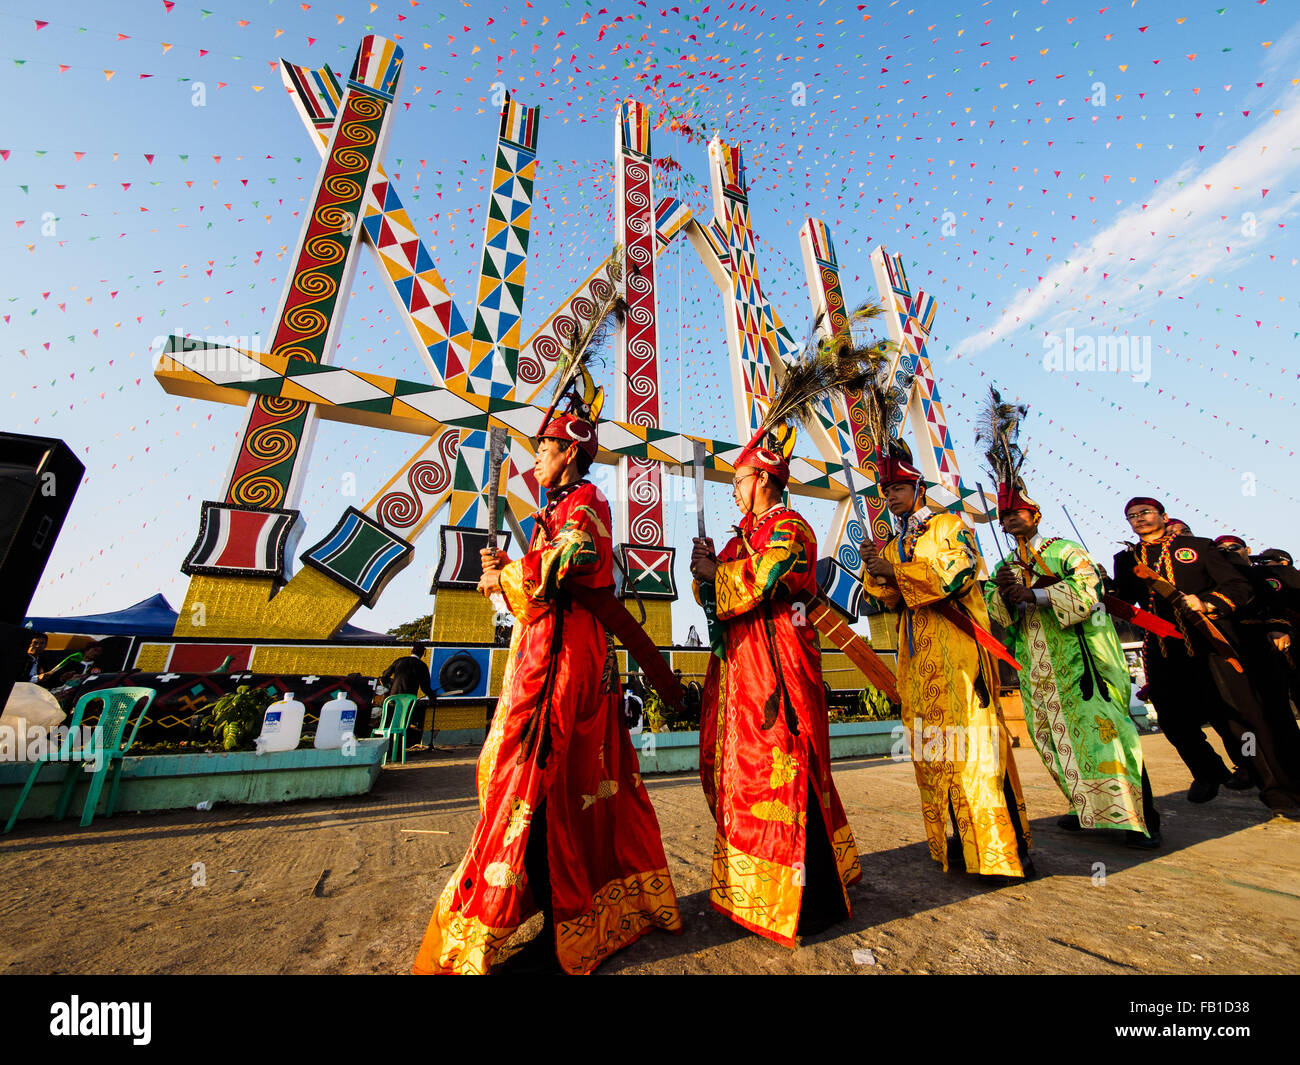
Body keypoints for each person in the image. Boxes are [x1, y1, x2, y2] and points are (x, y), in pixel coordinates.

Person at [413, 401, 682, 976]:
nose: (535, 458)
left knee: (539, 776)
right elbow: (544, 580)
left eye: (544, 448)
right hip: (548, 652)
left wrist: (506, 575)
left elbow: (571, 560)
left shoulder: (586, 501)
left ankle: (562, 924)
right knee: (541, 780)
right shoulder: (555, 508)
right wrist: (507, 572)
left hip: (566, 660)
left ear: (569, 454)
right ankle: (562, 916)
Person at [689, 430, 861, 945]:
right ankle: (758, 892)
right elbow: (713, 598)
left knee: (786, 769)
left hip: (779, 666)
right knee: (746, 777)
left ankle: (810, 901)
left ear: (764, 477)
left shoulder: (790, 526)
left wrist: (718, 572)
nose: (734, 490)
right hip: (743, 671)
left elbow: (770, 577)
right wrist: (703, 573)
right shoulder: (739, 536)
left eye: (739, 480)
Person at [860, 441, 1033, 878]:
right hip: (919, 662)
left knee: (978, 748)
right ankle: (962, 838)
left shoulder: (950, 525)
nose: (891, 496)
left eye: (899, 488)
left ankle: (1006, 848)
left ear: (919, 488)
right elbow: (885, 599)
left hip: (958, 654)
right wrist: (874, 570)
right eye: (887, 491)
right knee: (937, 752)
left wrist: (893, 570)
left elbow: (956, 574)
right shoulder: (895, 543)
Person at [983, 485, 1160, 848]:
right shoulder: (1003, 566)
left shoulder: (1065, 550)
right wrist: (1002, 594)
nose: (1011, 518)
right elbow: (998, 613)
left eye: (1017, 511)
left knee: (1107, 735)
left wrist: (1035, 594)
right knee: (1051, 737)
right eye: (1004, 515)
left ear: (1036, 515)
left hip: (1082, 663)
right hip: (1037, 669)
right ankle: (1084, 806)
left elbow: (1089, 590)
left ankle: (1139, 818)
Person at [1111, 500, 1300, 817]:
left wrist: (1208, 602)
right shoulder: (1126, 559)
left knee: (1244, 720)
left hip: (1212, 644)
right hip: (1164, 648)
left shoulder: (1199, 547)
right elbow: (1125, 597)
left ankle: (1277, 791)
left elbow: (1239, 587)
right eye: (1132, 516)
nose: (1138, 519)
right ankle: (1209, 770)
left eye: (1145, 513)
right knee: (1172, 719)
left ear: (1163, 516)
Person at [380, 641, 436, 741]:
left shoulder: (399, 661)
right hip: (408, 702)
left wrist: (390, 686)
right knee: (404, 724)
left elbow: (384, 676)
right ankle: (401, 745)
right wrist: (432, 696)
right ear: (422, 654)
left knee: (390, 722)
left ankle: (388, 744)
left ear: (411, 651)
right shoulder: (422, 666)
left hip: (393, 700)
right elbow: (425, 687)